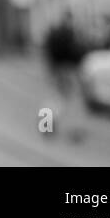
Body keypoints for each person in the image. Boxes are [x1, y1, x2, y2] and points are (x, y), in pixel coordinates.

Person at [44, 11, 86, 141]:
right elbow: (75, 52)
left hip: (56, 69)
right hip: (68, 69)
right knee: (72, 99)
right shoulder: (69, 34)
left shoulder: (53, 32)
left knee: (56, 97)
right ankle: (74, 131)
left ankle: (45, 125)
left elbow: (48, 51)